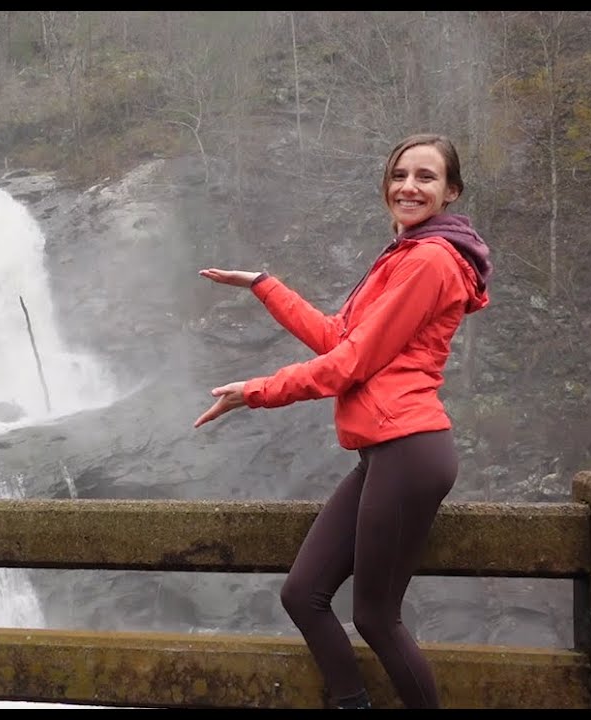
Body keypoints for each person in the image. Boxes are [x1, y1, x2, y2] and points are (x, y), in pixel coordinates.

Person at [192, 133, 492, 709]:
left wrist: (255, 392)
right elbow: (338, 337)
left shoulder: (430, 260)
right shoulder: (404, 255)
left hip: (409, 448)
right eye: (399, 175)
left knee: (377, 617)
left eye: (426, 177)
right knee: (303, 593)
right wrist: (263, 286)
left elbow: (349, 363)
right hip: (388, 450)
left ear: (451, 191)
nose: (408, 187)